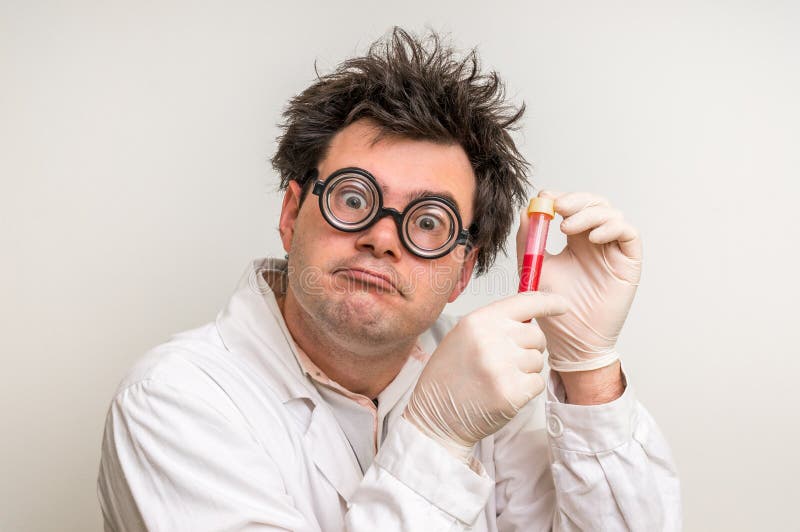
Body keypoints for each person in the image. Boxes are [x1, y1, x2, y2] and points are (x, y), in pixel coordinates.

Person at [98, 28, 681, 531]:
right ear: (291, 215)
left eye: (428, 222)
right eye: (353, 198)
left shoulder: (487, 376)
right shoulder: (174, 401)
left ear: (463, 271)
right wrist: (437, 437)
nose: (381, 238)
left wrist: (587, 367)